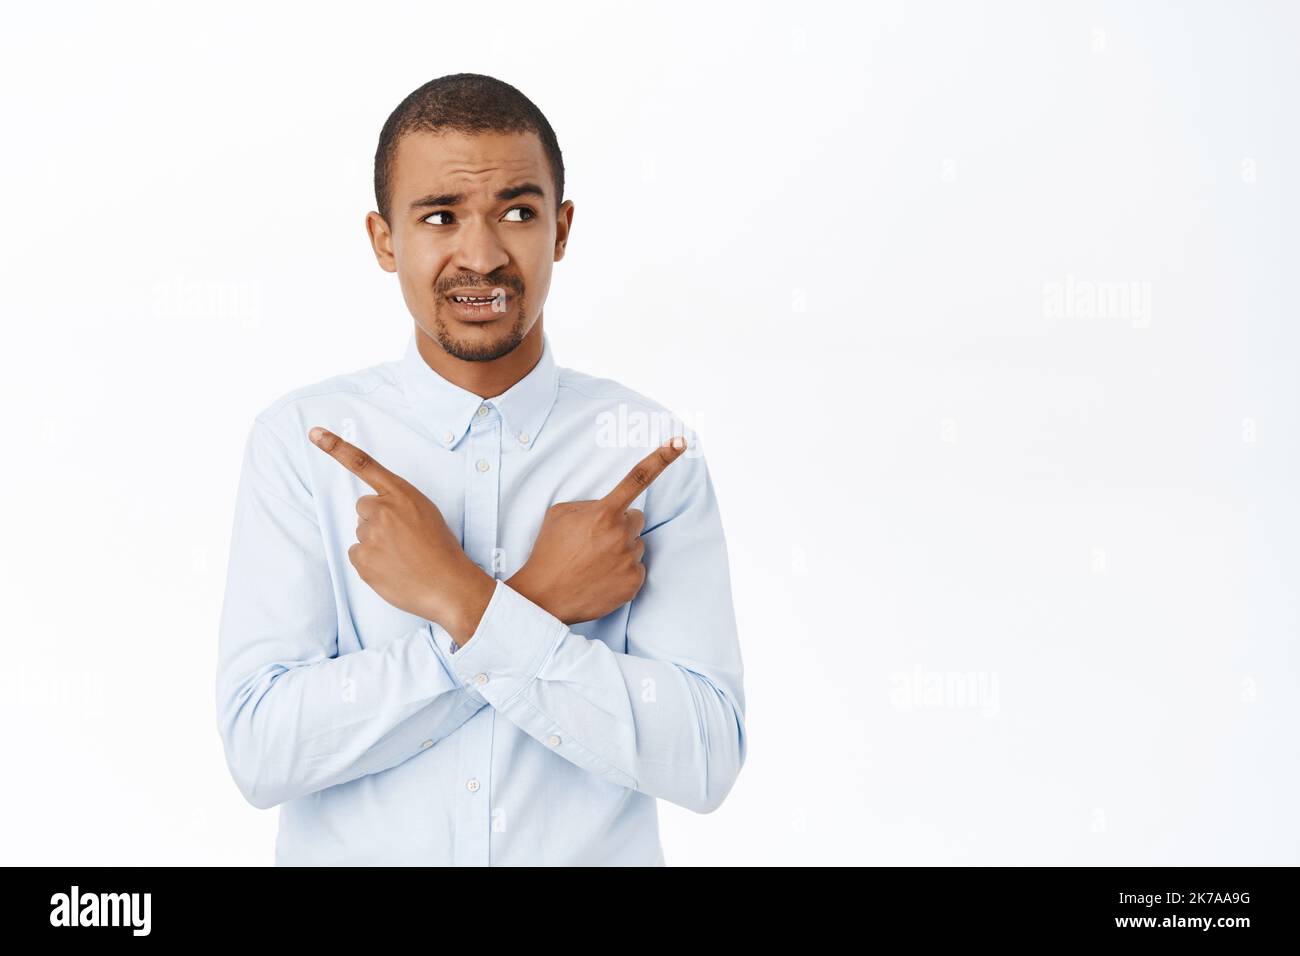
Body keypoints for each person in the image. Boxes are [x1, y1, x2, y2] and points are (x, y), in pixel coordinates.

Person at [215, 73, 746, 865]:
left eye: (519, 213)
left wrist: (458, 598)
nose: (483, 255)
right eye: (440, 216)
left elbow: (703, 760)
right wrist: (534, 606)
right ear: (384, 238)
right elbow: (263, 753)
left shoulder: (644, 452)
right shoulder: (303, 444)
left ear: (561, 230)